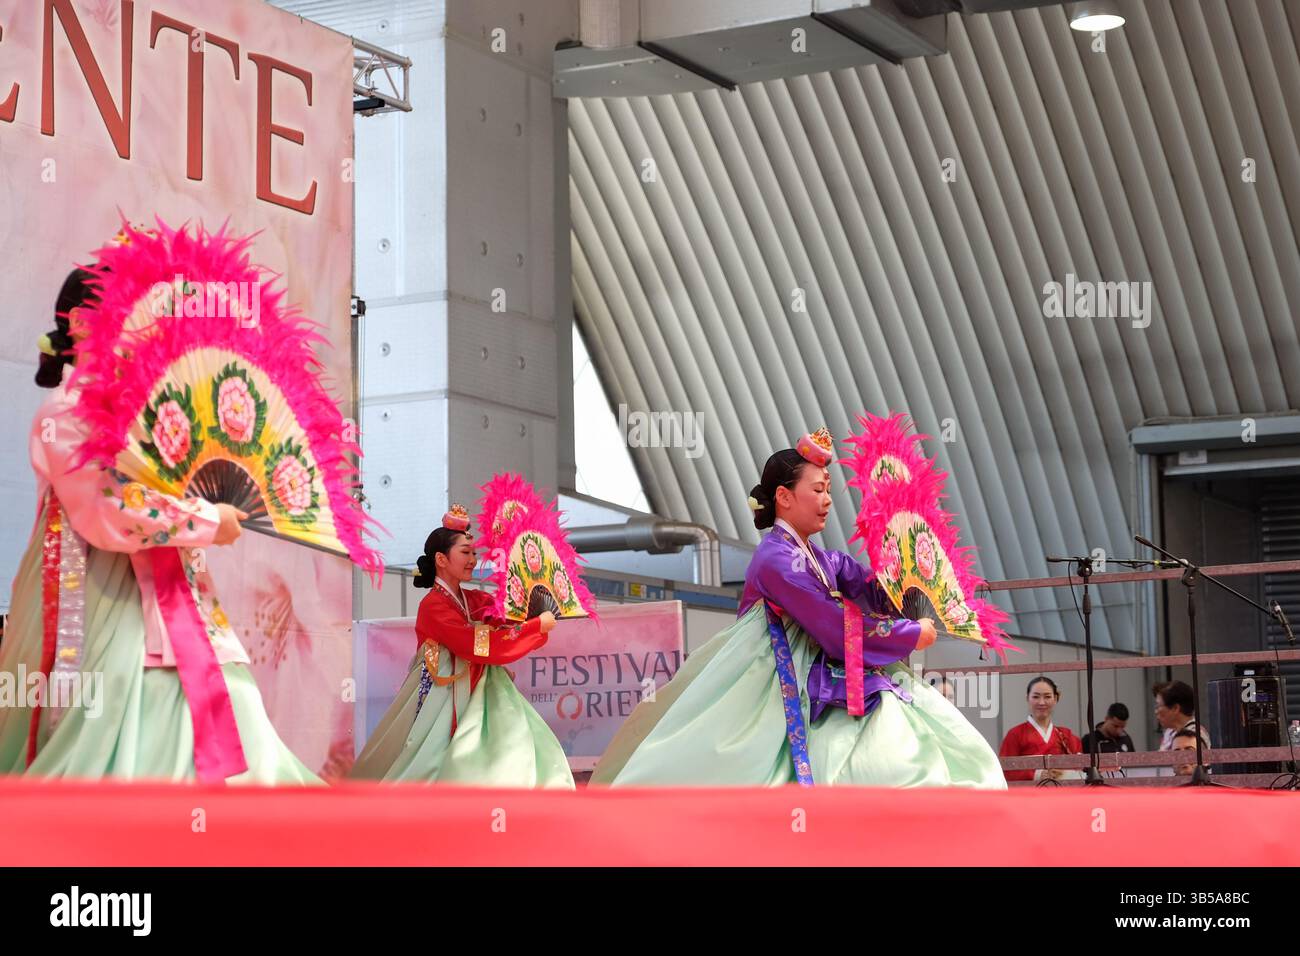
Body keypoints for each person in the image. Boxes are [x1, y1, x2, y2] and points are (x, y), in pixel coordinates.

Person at [0, 269, 318, 784]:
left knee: (226, 696)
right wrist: (208, 518)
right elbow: (108, 511)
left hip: (172, 580)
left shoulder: (155, 412)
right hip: (93, 586)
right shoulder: (63, 412)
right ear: (80, 324)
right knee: (113, 703)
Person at [591, 429, 1007, 788]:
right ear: (784, 498)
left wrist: (903, 574)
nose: (827, 499)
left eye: (828, 489)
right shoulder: (777, 559)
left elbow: (865, 585)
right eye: (818, 489)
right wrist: (911, 634)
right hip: (779, 680)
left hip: (818, 670)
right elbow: (834, 625)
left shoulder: (817, 557)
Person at [350, 508, 574, 787]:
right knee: (433, 753)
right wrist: (532, 628)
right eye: (465, 553)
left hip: (479, 682)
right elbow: (475, 645)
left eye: (474, 554)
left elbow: (502, 616)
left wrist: (529, 614)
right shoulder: (433, 605)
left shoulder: (473, 598)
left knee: (510, 737)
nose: (472, 560)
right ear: (442, 559)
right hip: (443, 691)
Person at [998, 676, 1083, 782]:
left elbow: (1081, 768)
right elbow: (1004, 770)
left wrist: (1064, 773)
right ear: (1027, 698)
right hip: (1028, 796)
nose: (1041, 702)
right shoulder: (1015, 734)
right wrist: (1037, 774)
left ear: (1056, 698)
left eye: (1047, 697)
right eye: (1036, 697)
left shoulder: (1067, 735)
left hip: (1062, 795)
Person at [1155, 680, 1210, 775]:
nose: (1156, 711)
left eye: (1158, 706)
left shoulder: (1196, 735)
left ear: (1175, 708)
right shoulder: (1169, 732)